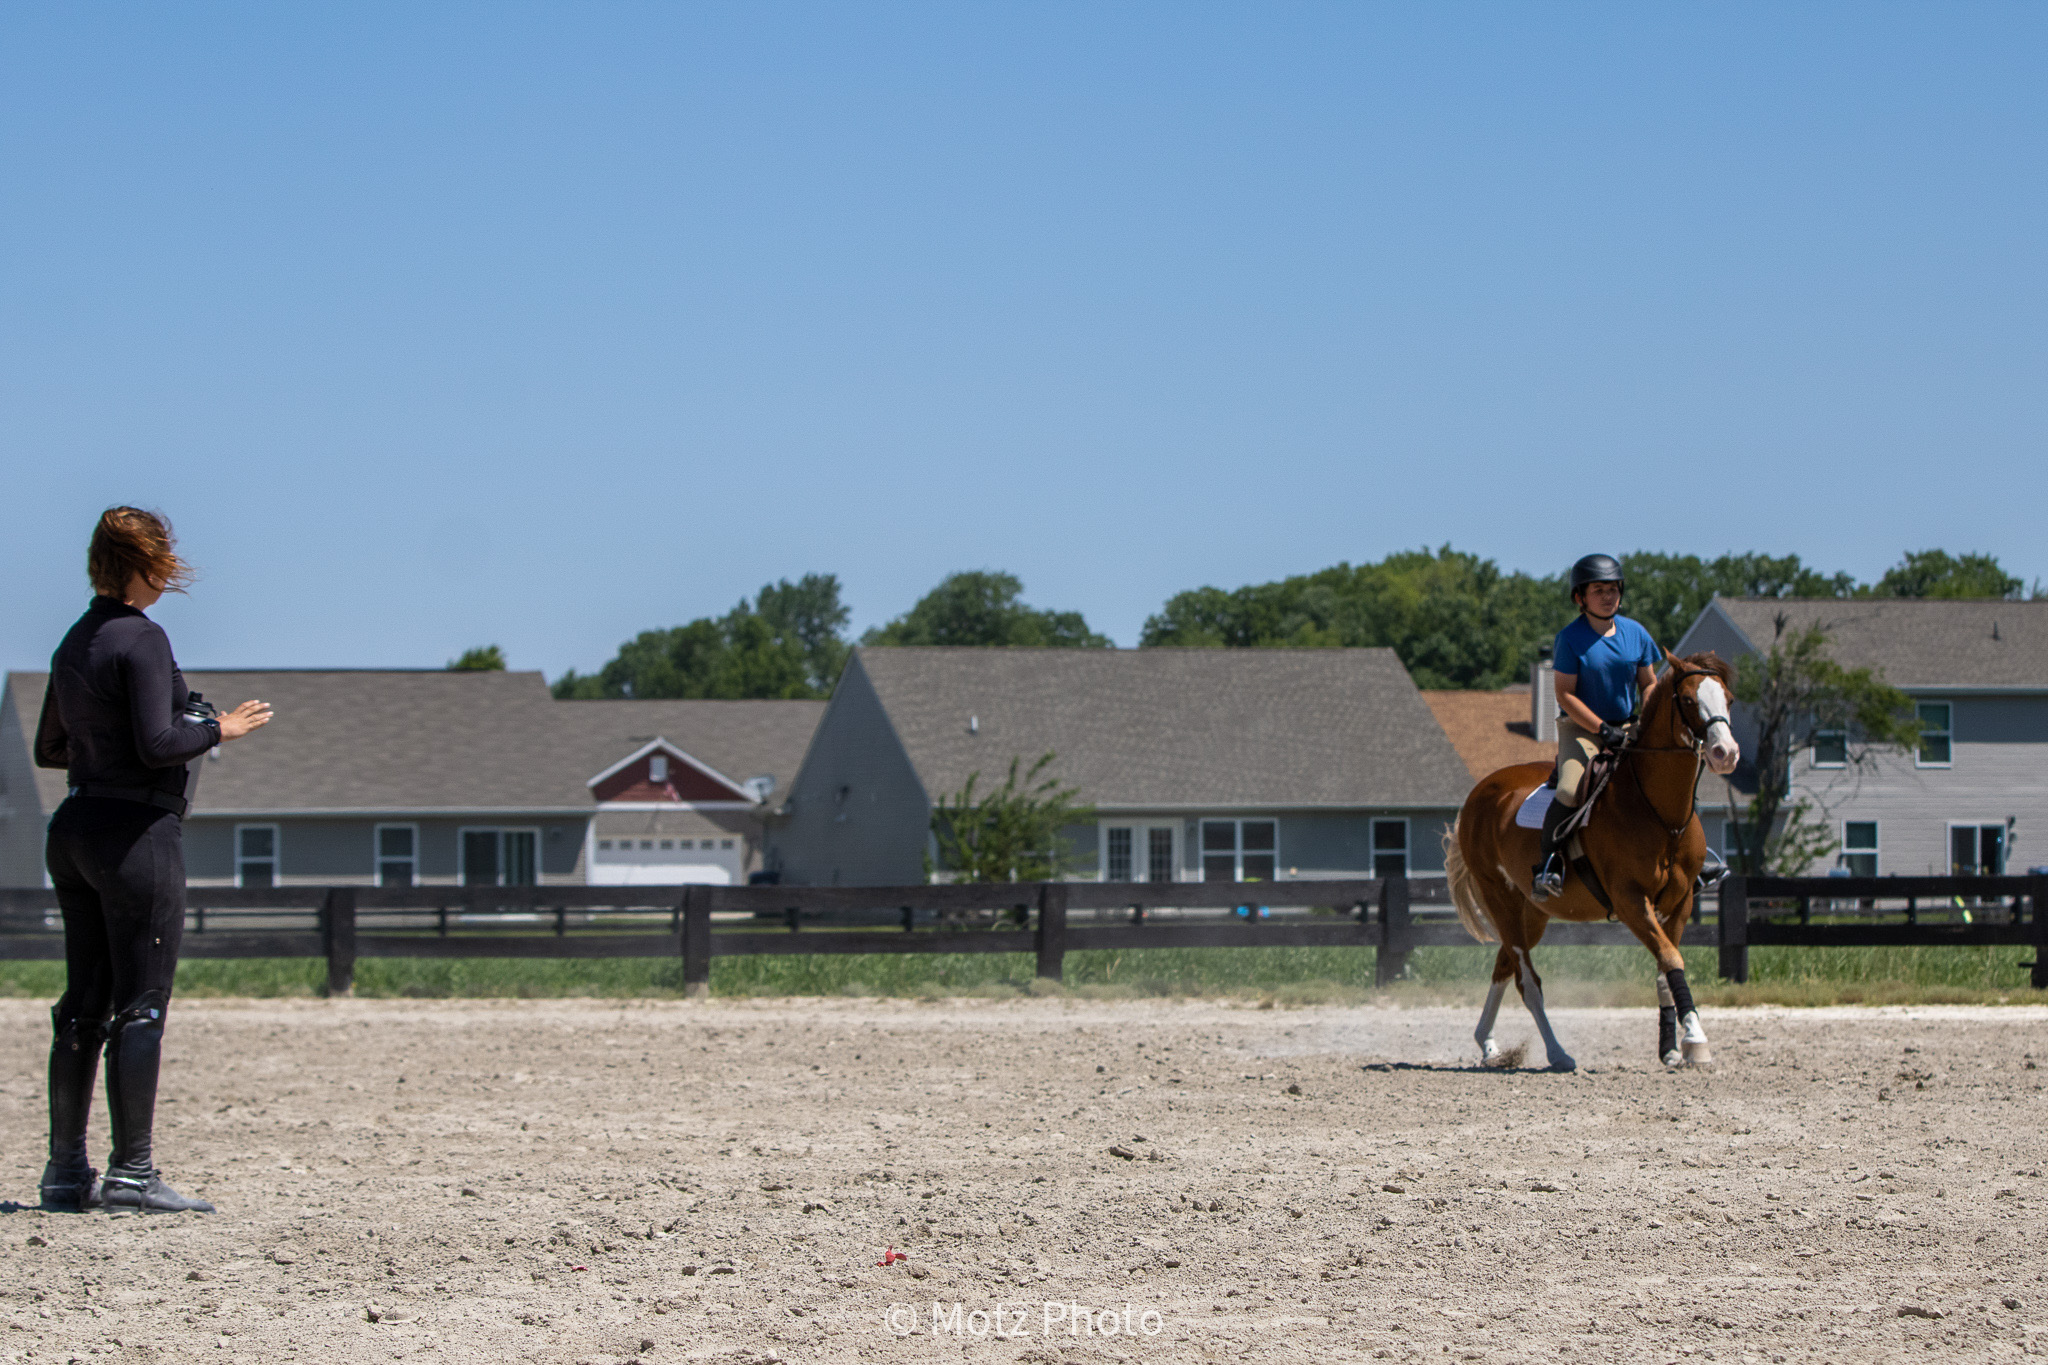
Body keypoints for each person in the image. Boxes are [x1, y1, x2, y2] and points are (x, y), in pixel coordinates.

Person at [34, 508, 273, 1212]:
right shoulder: (143, 639)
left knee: (82, 1005)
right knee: (140, 1005)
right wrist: (215, 725)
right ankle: (133, 1173)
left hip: (74, 827)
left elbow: (52, 748)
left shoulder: (75, 642)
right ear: (148, 566)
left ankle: (64, 1172)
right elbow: (157, 743)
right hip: (137, 835)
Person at [1532, 554, 1661, 901]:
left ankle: (1689, 858)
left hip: (1630, 727)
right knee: (1572, 789)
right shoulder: (1570, 639)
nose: (1608, 596)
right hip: (1581, 728)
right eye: (1599, 590)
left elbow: (1649, 683)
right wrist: (1602, 729)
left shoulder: (1636, 633)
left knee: (1667, 779)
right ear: (1580, 598)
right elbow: (1564, 694)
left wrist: (1645, 721)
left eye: (1613, 589)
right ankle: (1549, 865)